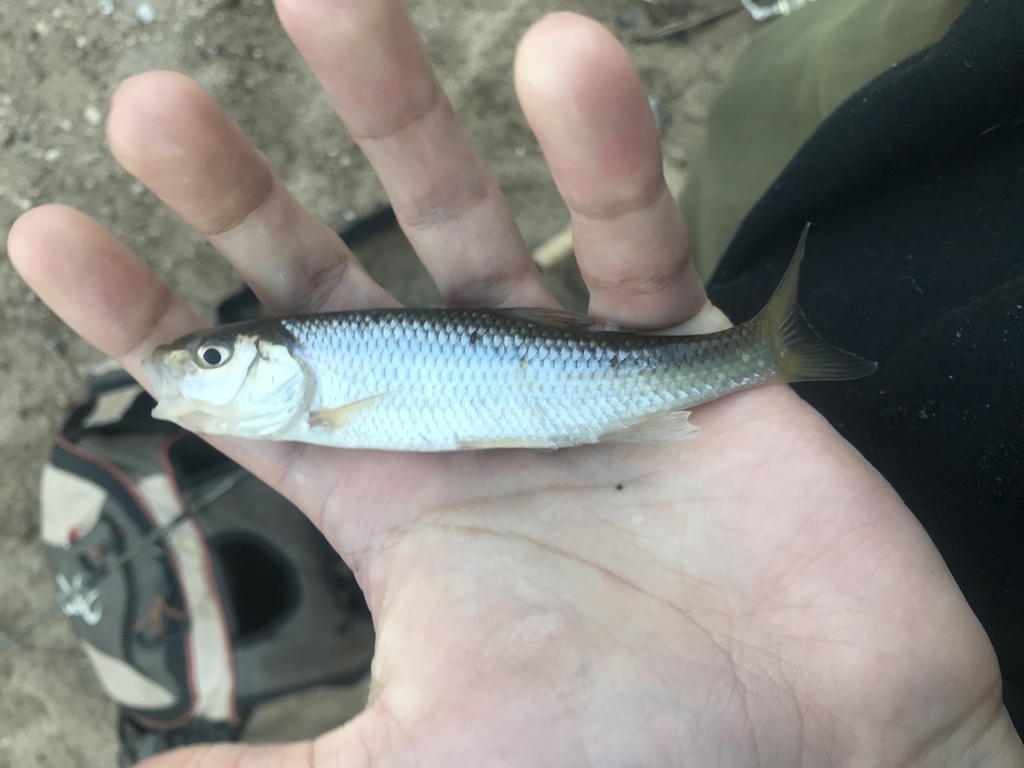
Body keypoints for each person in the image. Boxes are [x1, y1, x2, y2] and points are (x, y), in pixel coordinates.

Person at [7, 1, 1022, 766]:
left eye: (217, 357)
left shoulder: (327, 398)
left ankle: (756, 340)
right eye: (207, 362)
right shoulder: (320, 397)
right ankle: (751, 322)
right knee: (776, 113)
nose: (197, 372)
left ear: (276, 364)